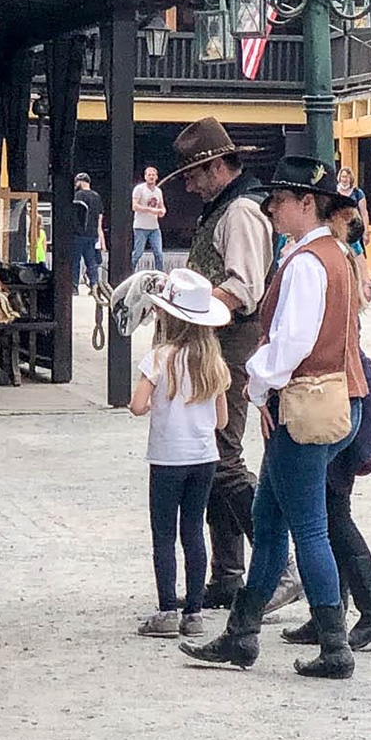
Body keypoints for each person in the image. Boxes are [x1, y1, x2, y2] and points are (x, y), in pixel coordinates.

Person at [181, 156, 366, 680]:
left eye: (282, 199)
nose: (273, 207)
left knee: (307, 527)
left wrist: (257, 384)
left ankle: (334, 644)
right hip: (334, 399)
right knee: (268, 519)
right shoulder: (336, 254)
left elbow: (292, 342)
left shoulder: (308, 262)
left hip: (306, 403)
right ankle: (242, 634)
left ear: (309, 204)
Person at [166, 117, 294, 612]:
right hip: (218, 343)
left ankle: (280, 563)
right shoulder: (228, 206)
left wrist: (176, 300)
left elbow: (243, 289)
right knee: (213, 458)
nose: (192, 185)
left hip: (232, 342)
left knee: (221, 456)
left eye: (196, 175)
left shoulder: (240, 212)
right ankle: (227, 575)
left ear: (218, 166)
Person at [278, 199, 371, 655]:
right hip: (348, 388)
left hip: (338, 392)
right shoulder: (341, 259)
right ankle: (331, 609)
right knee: (328, 511)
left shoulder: (331, 260)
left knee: (331, 511)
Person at [127, 268, 230, 639]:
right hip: (204, 456)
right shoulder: (214, 363)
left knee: (164, 534)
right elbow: (221, 421)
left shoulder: (158, 358)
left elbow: (138, 406)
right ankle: (194, 613)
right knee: (193, 533)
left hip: (168, 456)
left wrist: (149, 402)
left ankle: (167, 609)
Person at [72, 173, 104, 292]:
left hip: (79, 234)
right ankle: (94, 286)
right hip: (93, 235)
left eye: (77, 182)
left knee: (75, 261)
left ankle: (74, 286)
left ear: (81, 181)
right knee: (91, 262)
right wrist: (100, 237)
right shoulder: (97, 196)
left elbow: (75, 214)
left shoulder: (78, 195)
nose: (75, 184)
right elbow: (100, 217)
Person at [131, 165, 166, 271]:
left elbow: (162, 206)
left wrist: (162, 211)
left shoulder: (158, 191)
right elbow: (135, 206)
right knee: (137, 253)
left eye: (153, 175)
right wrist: (152, 211)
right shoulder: (139, 189)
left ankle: (160, 275)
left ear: (156, 177)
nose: (151, 177)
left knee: (159, 253)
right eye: (149, 175)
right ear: (145, 176)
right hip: (140, 227)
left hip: (154, 227)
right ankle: (129, 272)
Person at [335, 166, 369, 258]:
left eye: (346, 177)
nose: (344, 179)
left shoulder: (358, 193)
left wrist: (366, 231)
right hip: (338, 229)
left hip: (354, 231)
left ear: (351, 178)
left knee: (357, 254)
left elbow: (364, 212)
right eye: (343, 177)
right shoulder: (334, 192)